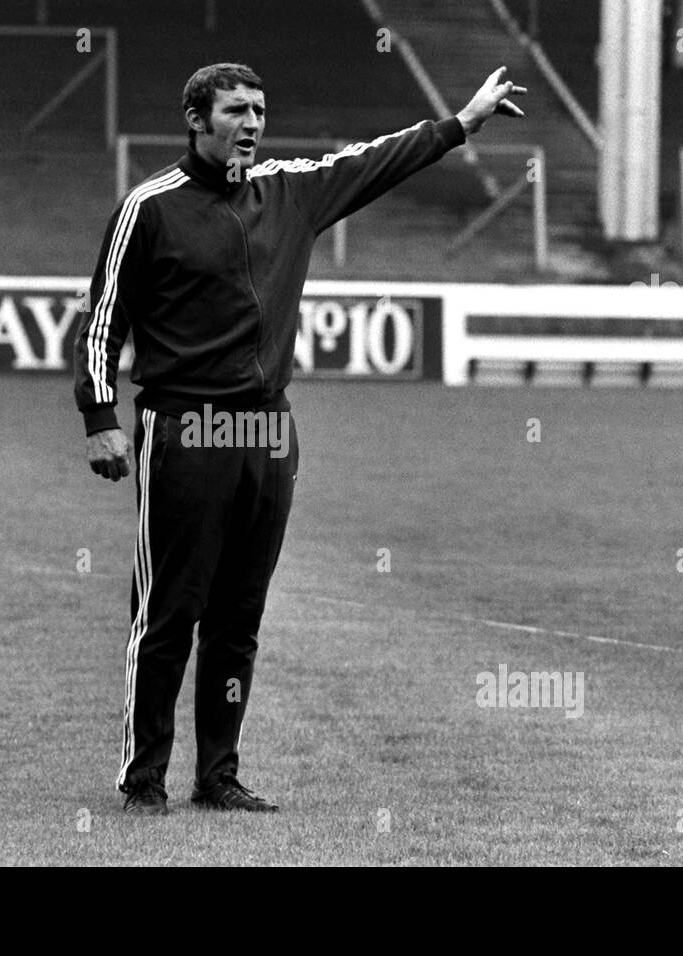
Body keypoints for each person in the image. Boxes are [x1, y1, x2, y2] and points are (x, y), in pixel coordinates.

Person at [73, 62, 525, 815]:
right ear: (195, 119)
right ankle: (142, 775)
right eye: (234, 111)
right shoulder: (149, 208)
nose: (250, 123)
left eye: (258, 109)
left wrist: (460, 124)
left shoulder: (291, 190)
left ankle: (217, 775)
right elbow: (102, 321)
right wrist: (99, 417)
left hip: (268, 428)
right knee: (167, 611)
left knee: (239, 617)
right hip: (185, 424)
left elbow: (374, 159)